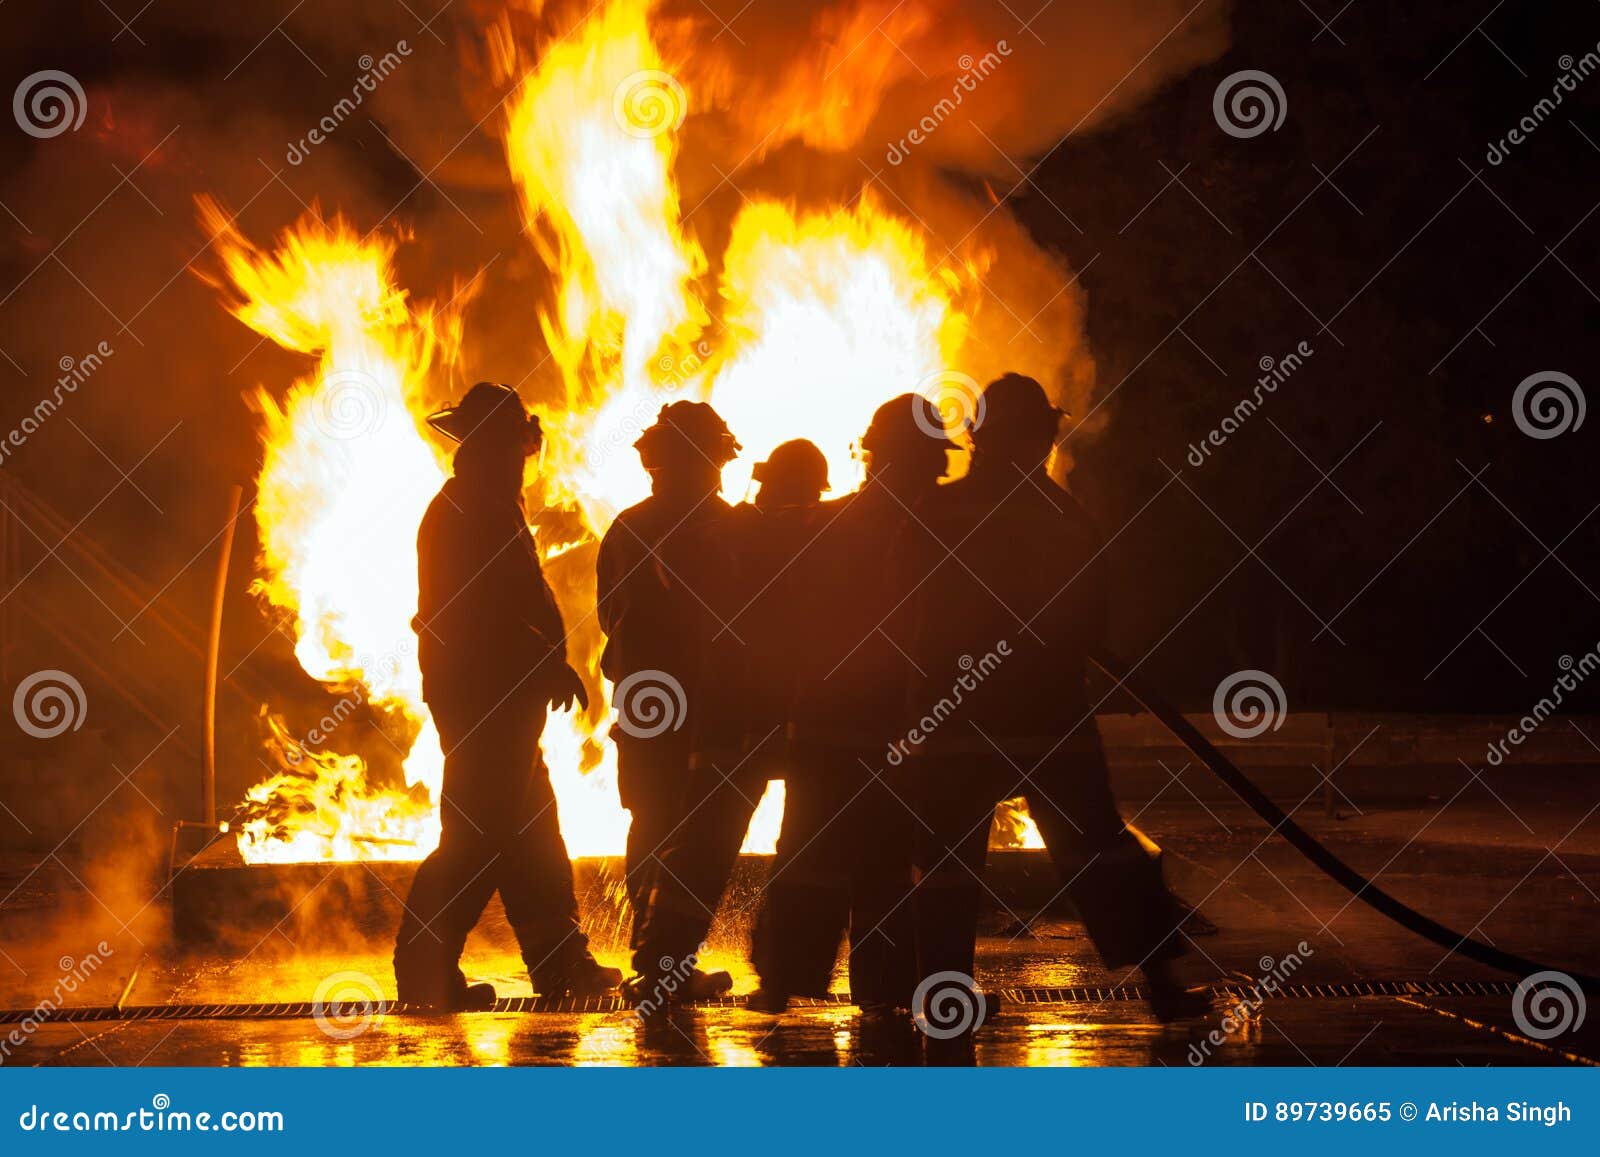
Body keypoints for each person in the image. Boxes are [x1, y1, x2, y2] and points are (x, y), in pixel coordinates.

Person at [904, 373, 1207, 1023]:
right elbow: (1088, 621)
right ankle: (1161, 983)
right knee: (1102, 850)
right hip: (1048, 721)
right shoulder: (1062, 515)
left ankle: (943, 999)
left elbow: (905, 617)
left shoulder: (937, 512)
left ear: (979, 437)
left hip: (957, 720)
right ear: (1033, 436)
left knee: (947, 864)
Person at [394, 382, 620, 1008]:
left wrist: (544, 664)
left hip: (499, 695)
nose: (524, 458)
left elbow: (513, 599)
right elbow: (486, 610)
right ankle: (423, 971)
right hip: (483, 696)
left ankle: (560, 964)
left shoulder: (486, 502)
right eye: (514, 446)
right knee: (478, 834)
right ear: (491, 445)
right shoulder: (470, 509)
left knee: (532, 832)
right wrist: (545, 662)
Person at [745, 397, 950, 1014]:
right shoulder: (928, 536)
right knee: (875, 862)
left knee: (822, 856)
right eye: (927, 462)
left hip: (832, 727)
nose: (933, 476)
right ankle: (875, 989)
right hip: (881, 728)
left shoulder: (821, 528)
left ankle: (789, 979)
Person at [622, 438, 832, 1007]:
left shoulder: (736, 534)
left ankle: (669, 966)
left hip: (740, 720)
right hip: (770, 720)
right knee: (771, 847)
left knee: (707, 848)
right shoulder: (769, 537)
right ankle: (771, 975)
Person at [595, 401, 742, 999]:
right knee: (688, 825)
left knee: (656, 821)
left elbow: (611, 617)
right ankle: (662, 962)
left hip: (650, 702)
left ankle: (657, 958)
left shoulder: (628, 529)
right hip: (709, 706)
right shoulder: (731, 529)